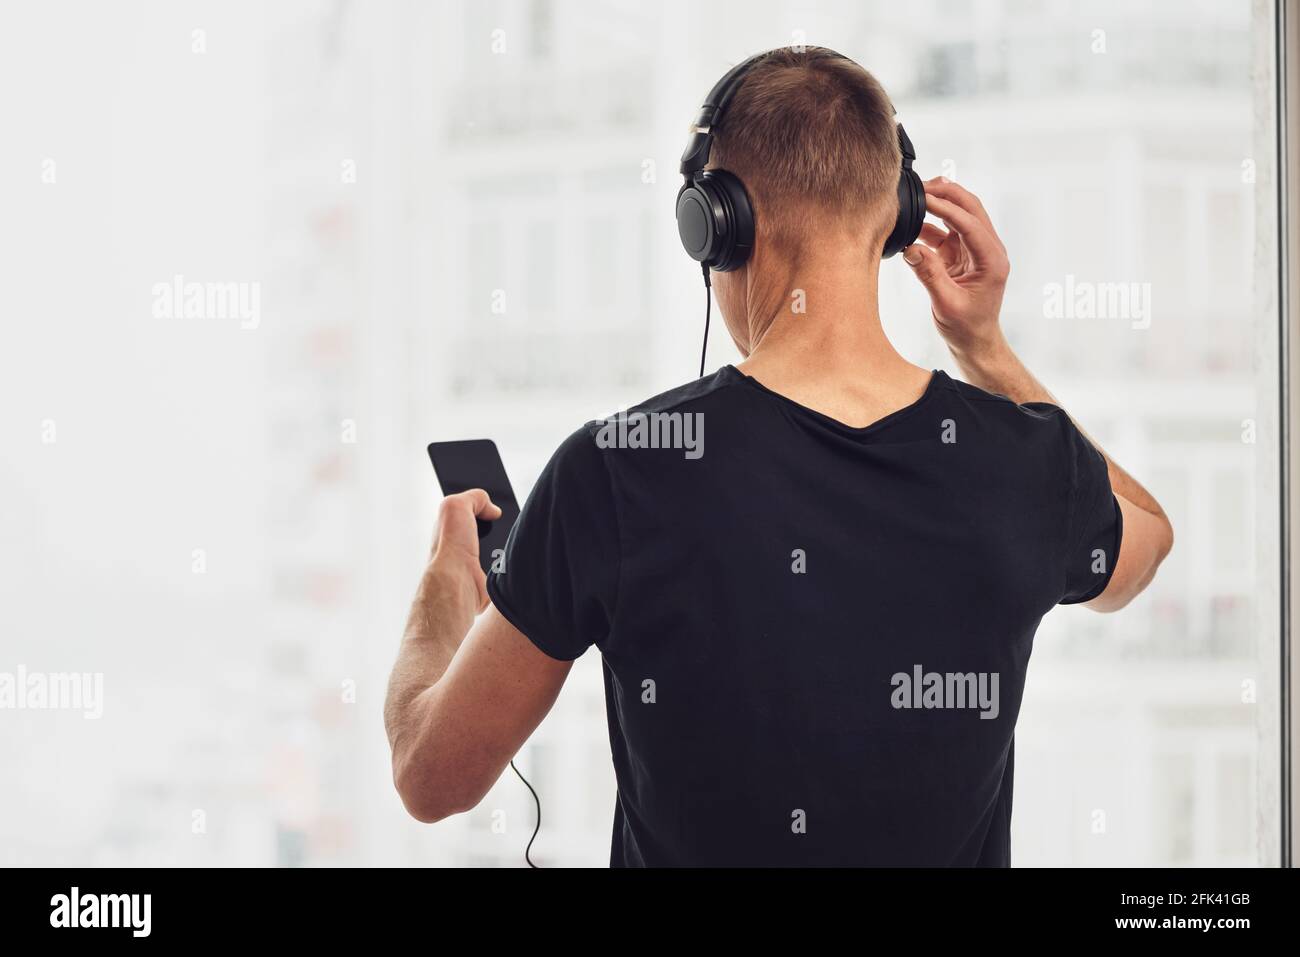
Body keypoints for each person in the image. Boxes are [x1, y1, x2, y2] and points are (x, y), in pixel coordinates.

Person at [383, 47, 1174, 866]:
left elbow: (430, 776)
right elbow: (1146, 541)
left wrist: (445, 589)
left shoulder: (617, 471)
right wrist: (987, 349)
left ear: (719, 222)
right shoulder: (1024, 462)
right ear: (895, 215)